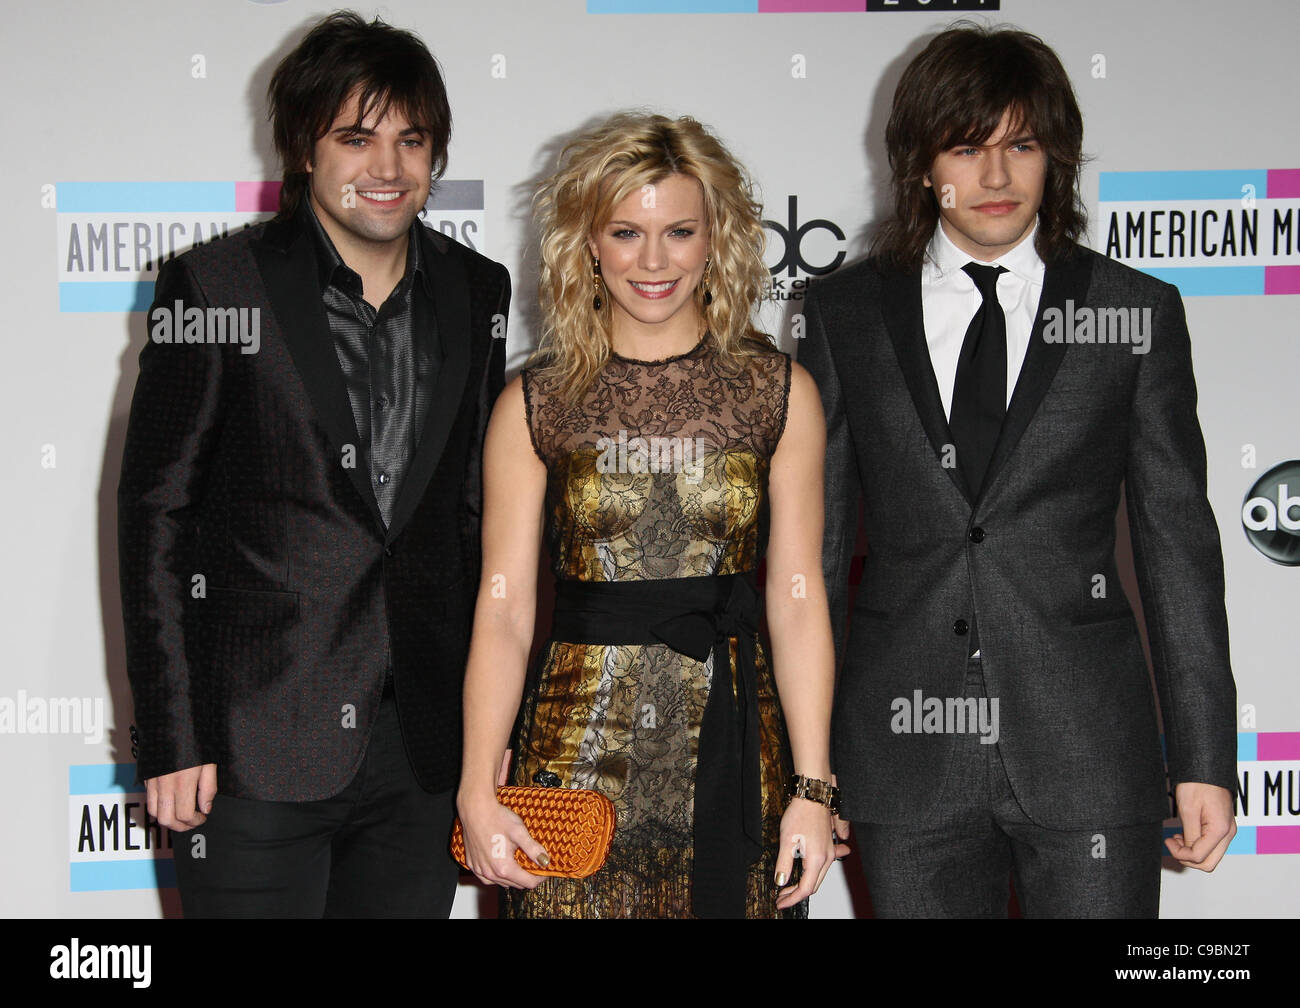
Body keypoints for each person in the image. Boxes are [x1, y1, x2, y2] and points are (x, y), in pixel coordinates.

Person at [799, 24, 1237, 918]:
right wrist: (805, 769)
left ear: (1056, 160)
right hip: (898, 746)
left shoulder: (1132, 312)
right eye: (966, 147)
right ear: (921, 163)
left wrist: (1202, 758)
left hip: (1087, 746)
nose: (995, 178)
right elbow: (814, 551)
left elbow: (1177, 547)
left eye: (1021, 146)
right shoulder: (843, 311)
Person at [117, 11, 509, 917]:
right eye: (356, 136)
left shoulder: (476, 289)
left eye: (412, 139)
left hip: (421, 748)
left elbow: (473, 518)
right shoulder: (215, 285)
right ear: (303, 147)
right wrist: (172, 735)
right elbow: (156, 519)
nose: (388, 168)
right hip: (253, 746)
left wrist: (493, 728)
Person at [456, 112, 845, 918]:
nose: (654, 260)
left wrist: (812, 786)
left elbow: (800, 597)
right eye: (626, 232)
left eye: (679, 231)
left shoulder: (777, 393)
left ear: (716, 239)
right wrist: (476, 781)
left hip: (736, 752)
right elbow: (502, 610)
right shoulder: (535, 402)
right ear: (588, 243)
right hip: (574, 756)